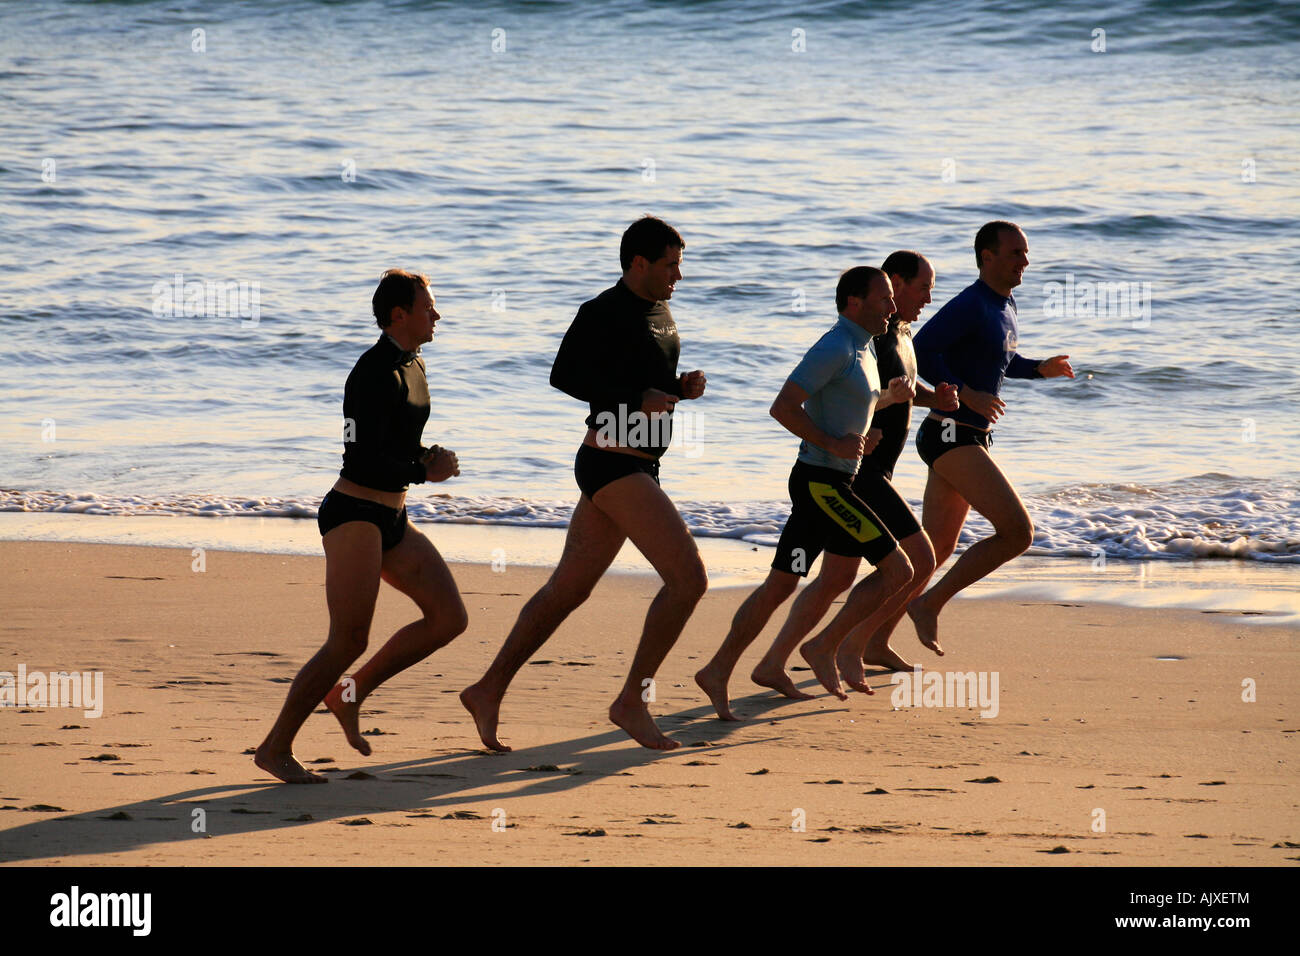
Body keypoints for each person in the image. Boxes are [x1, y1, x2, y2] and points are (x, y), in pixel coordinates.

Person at [461, 216, 708, 752]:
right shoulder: (601, 312)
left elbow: (645, 382)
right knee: (689, 580)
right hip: (611, 462)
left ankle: (487, 689)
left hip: (643, 462)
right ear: (638, 262)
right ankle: (632, 702)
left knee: (567, 590)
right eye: (671, 264)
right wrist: (633, 398)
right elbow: (566, 376)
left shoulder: (661, 312)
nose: (679, 275)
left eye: (680, 265)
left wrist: (678, 389)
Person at [254, 270, 467, 784]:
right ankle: (275, 747)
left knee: (448, 618)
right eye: (428, 307)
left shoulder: (414, 364)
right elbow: (364, 456)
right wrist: (424, 470)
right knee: (347, 639)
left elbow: (395, 443)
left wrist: (427, 455)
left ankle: (348, 695)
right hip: (354, 515)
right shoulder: (371, 371)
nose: (436, 315)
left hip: (393, 517)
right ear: (399, 314)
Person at [695, 266, 914, 716]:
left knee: (781, 583)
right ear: (855, 302)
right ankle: (824, 647)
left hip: (832, 482)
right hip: (821, 485)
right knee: (900, 570)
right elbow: (783, 406)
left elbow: (851, 404)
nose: (893, 308)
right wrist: (833, 443)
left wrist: (887, 400)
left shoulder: (864, 347)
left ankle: (723, 670)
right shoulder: (835, 346)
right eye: (885, 298)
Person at [906, 221, 1074, 654]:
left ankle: (866, 639)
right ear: (988, 257)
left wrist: (1038, 368)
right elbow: (921, 350)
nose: (1026, 261)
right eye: (1016, 253)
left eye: (1026, 252)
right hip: (951, 432)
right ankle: (929, 605)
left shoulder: (1005, 304)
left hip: (966, 435)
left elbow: (1001, 359)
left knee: (934, 550)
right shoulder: (972, 303)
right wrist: (963, 392)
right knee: (1017, 532)